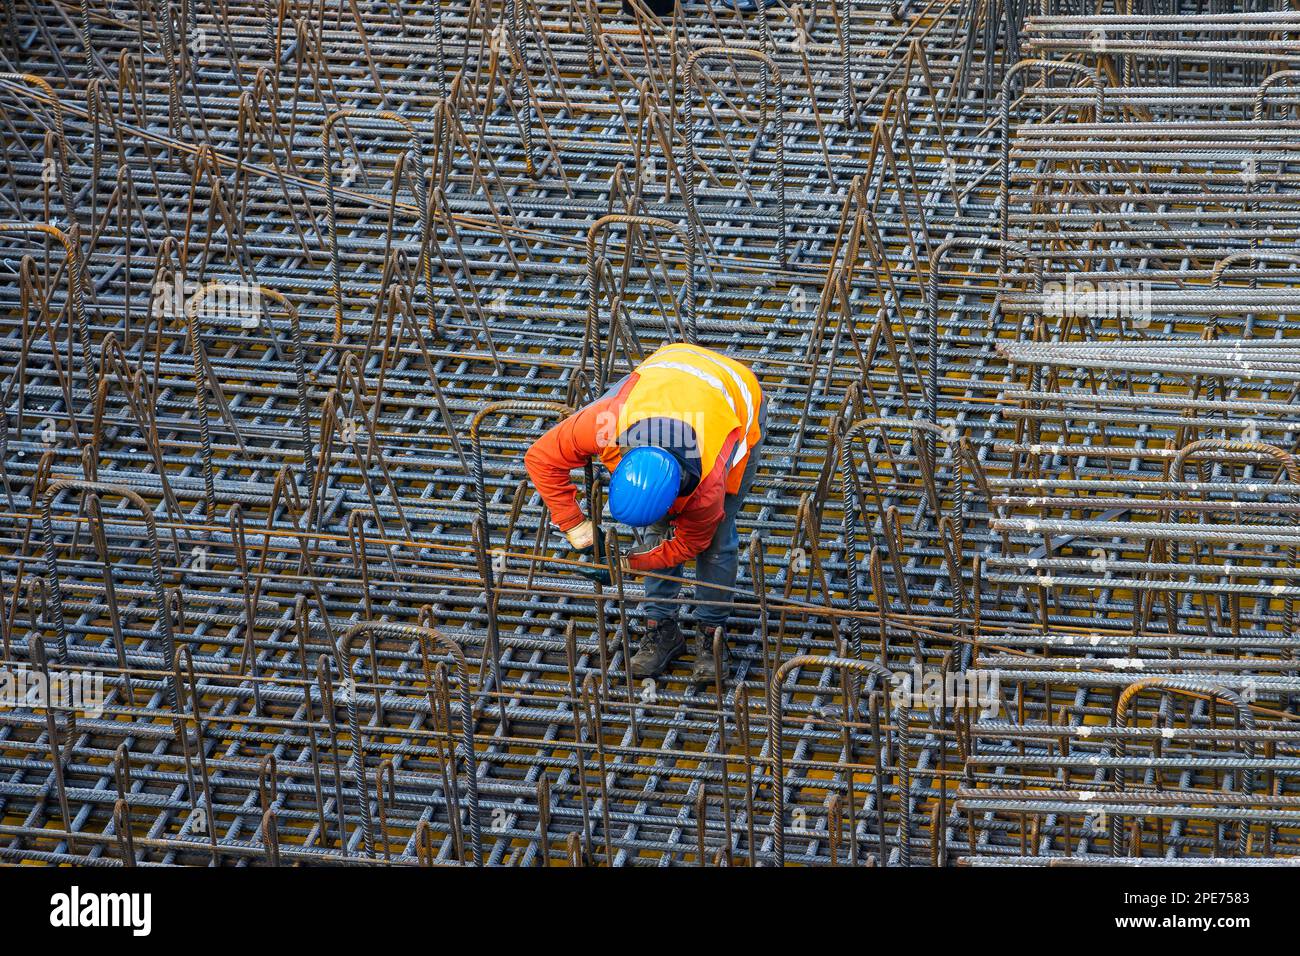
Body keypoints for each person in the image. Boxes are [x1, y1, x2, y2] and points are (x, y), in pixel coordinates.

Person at [524, 343, 765, 683]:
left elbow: (690, 544)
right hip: (666, 374)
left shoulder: (708, 483)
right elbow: (541, 458)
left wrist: (627, 564)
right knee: (658, 529)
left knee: (716, 542)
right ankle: (661, 628)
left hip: (735, 397)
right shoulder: (606, 425)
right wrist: (578, 531)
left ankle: (712, 632)